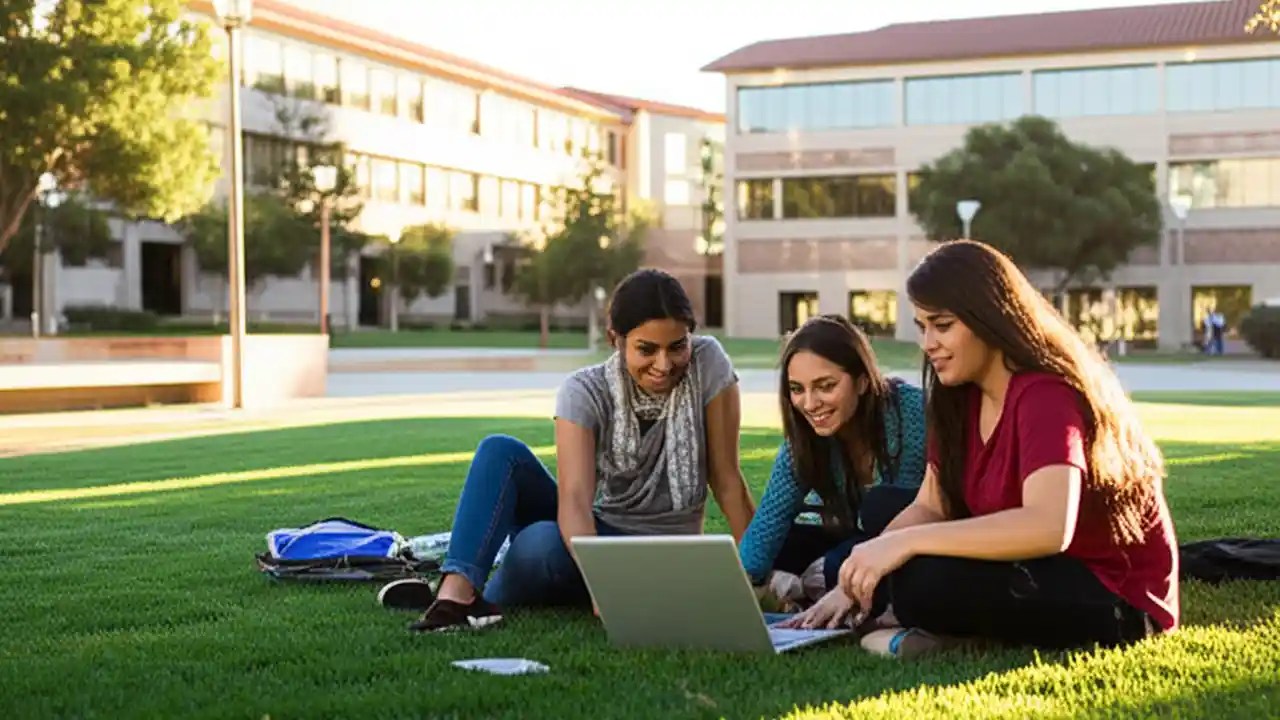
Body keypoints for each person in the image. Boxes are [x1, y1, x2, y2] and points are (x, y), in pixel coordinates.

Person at [839, 240, 1179, 658]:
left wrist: (904, 546)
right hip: (1034, 566)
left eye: (942, 325)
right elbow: (930, 505)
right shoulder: (959, 396)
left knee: (921, 579)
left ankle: (950, 640)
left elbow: (1049, 527)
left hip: (1109, 593)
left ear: (988, 317)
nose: (927, 343)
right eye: (921, 325)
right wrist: (854, 581)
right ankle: (939, 627)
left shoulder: (1046, 394)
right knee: (881, 510)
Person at [379, 268, 755, 632]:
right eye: (646, 349)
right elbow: (574, 499)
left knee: (539, 545)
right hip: (597, 537)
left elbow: (726, 480)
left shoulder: (708, 363)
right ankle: (455, 597)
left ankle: (475, 591)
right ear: (616, 340)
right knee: (502, 456)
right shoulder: (585, 390)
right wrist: (601, 578)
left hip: (666, 552)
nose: (664, 364)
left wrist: (763, 569)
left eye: (677, 346)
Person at [736, 314, 927, 629]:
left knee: (842, 557)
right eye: (797, 389)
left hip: (907, 536)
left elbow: (899, 522)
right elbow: (771, 517)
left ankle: (812, 586)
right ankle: (803, 585)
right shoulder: (804, 439)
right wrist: (739, 584)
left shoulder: (912, 413)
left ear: (863, 381)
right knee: (780, 545)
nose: (810, 403)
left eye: (826, 386)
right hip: (848, 533)